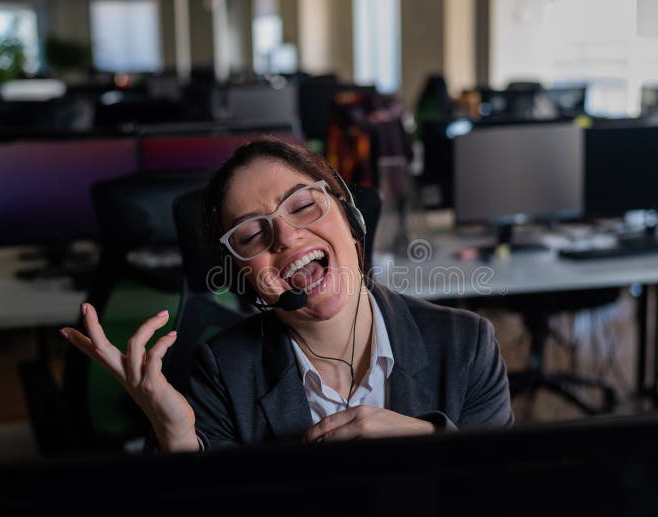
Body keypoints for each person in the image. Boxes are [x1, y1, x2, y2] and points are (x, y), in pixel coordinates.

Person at [60, 138, 512, 452]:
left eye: (302, 205)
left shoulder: (466, 344)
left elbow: (502, 496)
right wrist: (177, 437)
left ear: (349, 218)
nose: (286, 236)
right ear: (243, 274)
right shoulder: (222, 372)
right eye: (252, 234)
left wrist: (431, 444)